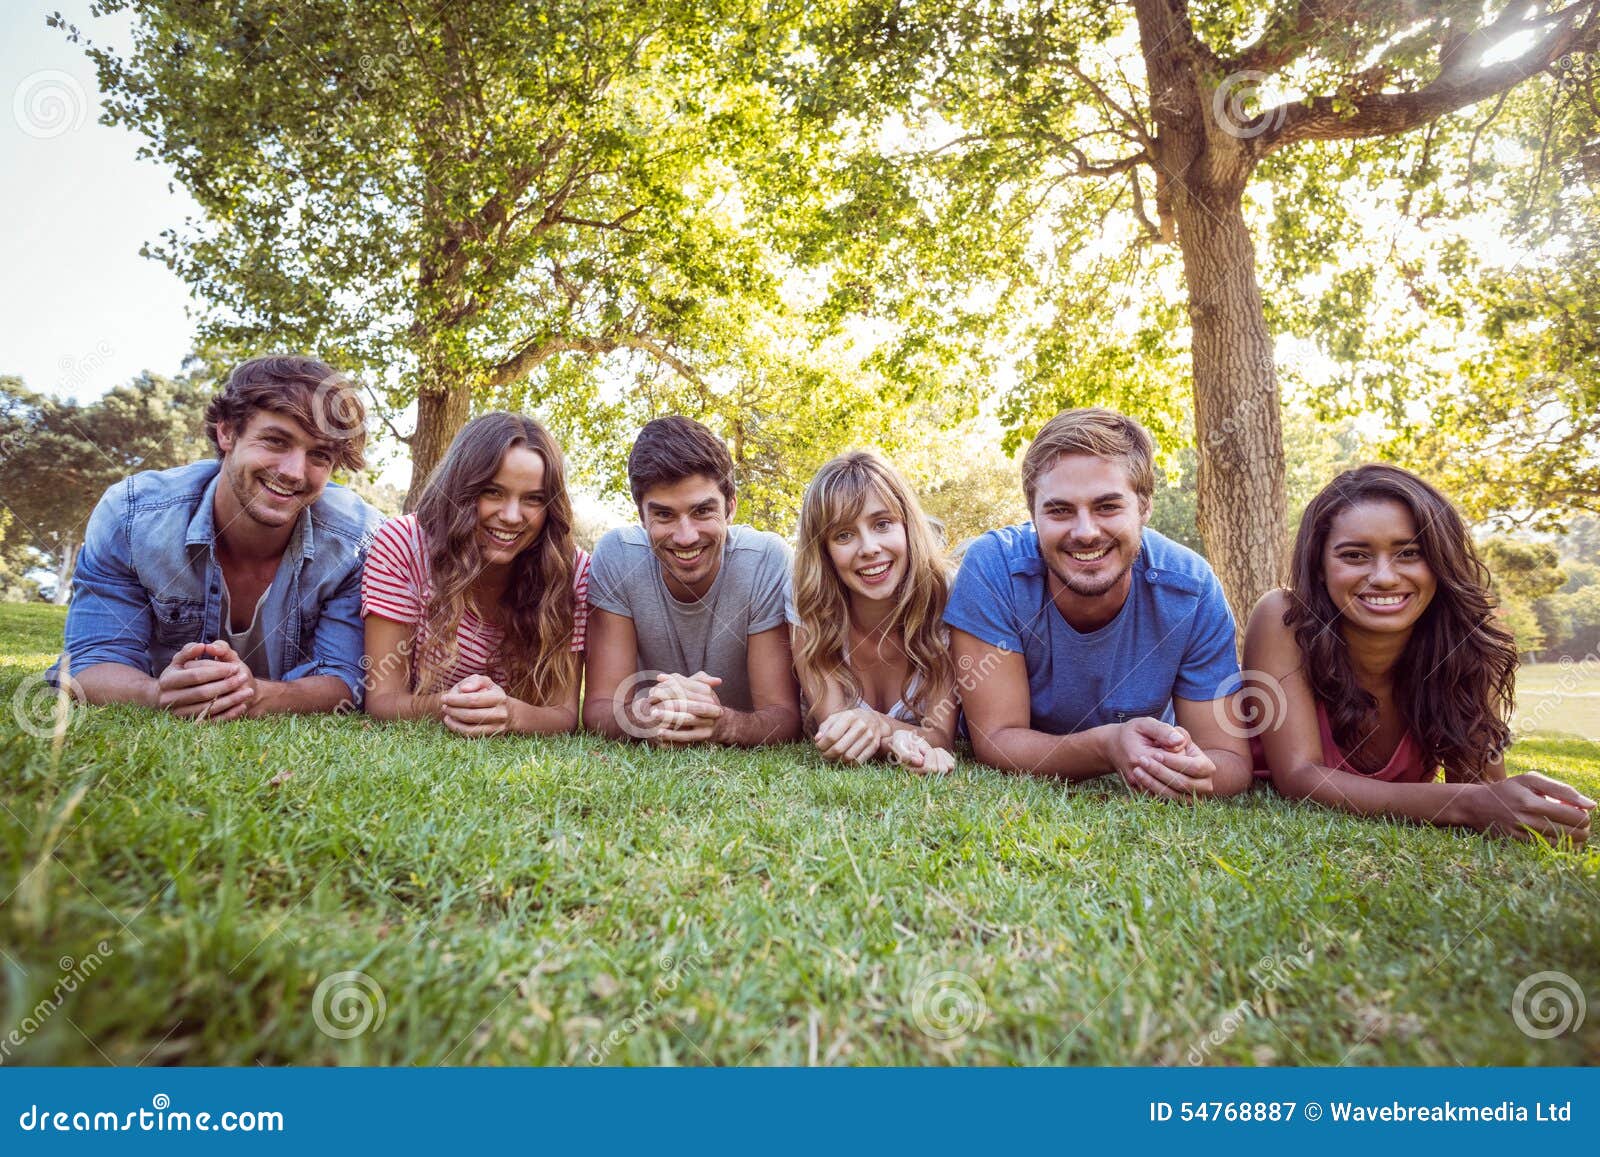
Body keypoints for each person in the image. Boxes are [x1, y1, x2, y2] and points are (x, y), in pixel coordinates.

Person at [1244, 463, 1593, 843]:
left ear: (1440, 564)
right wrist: (1470, 804)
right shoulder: (1284, 616)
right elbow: (1300, 776)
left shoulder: (1469, 648)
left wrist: (1517, 807)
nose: (1384, 577)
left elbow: (1479, 789)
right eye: (1355, 556)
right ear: (1320, 567)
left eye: (1409, 553)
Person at [48, 356, 380, 719]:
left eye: (319, 455)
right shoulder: (131, 517)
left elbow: (345, 678)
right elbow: (94, 659)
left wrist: (256, 694)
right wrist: (155, 692)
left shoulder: (357, 543)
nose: (293, 472)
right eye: (275, 441)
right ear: (227, 432)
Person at [944, 407, 1250, 798]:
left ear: (1144, 507)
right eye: (1059, 510)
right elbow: (998, 740)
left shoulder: (1190, 589)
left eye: (1107, 507)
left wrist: (1184, 770)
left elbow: (1228, 759)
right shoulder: (994, 568)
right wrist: (1107, 746)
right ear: (1033, 515)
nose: (1086, 532)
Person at [361, 413, 589, 736]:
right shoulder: (403, 545)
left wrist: (510, 714)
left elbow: (564, 713)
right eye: (493, 492)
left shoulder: (572, 570)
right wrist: (449, 705)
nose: (512, 516)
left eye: (533, 499)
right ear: (462, 488)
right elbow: (382, 700)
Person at [582, 416, 801, 745]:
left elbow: (783, 716)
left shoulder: (766, 560)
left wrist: (722, 724)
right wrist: (648, 714)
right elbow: (599, 707)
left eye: (702, 512)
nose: (685, 537)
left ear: (730, 508)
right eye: (664, 515)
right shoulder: (617, 555)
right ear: (642, 516)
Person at [792, 451, 957, 773]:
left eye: (882, 524)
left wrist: (880, 726)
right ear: (824, 550)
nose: (868, 548)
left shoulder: (946, 596)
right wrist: (893, 737)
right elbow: (837, 736)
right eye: (844, 535)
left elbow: (941, 735)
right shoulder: (806, 602)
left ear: (908, 526)